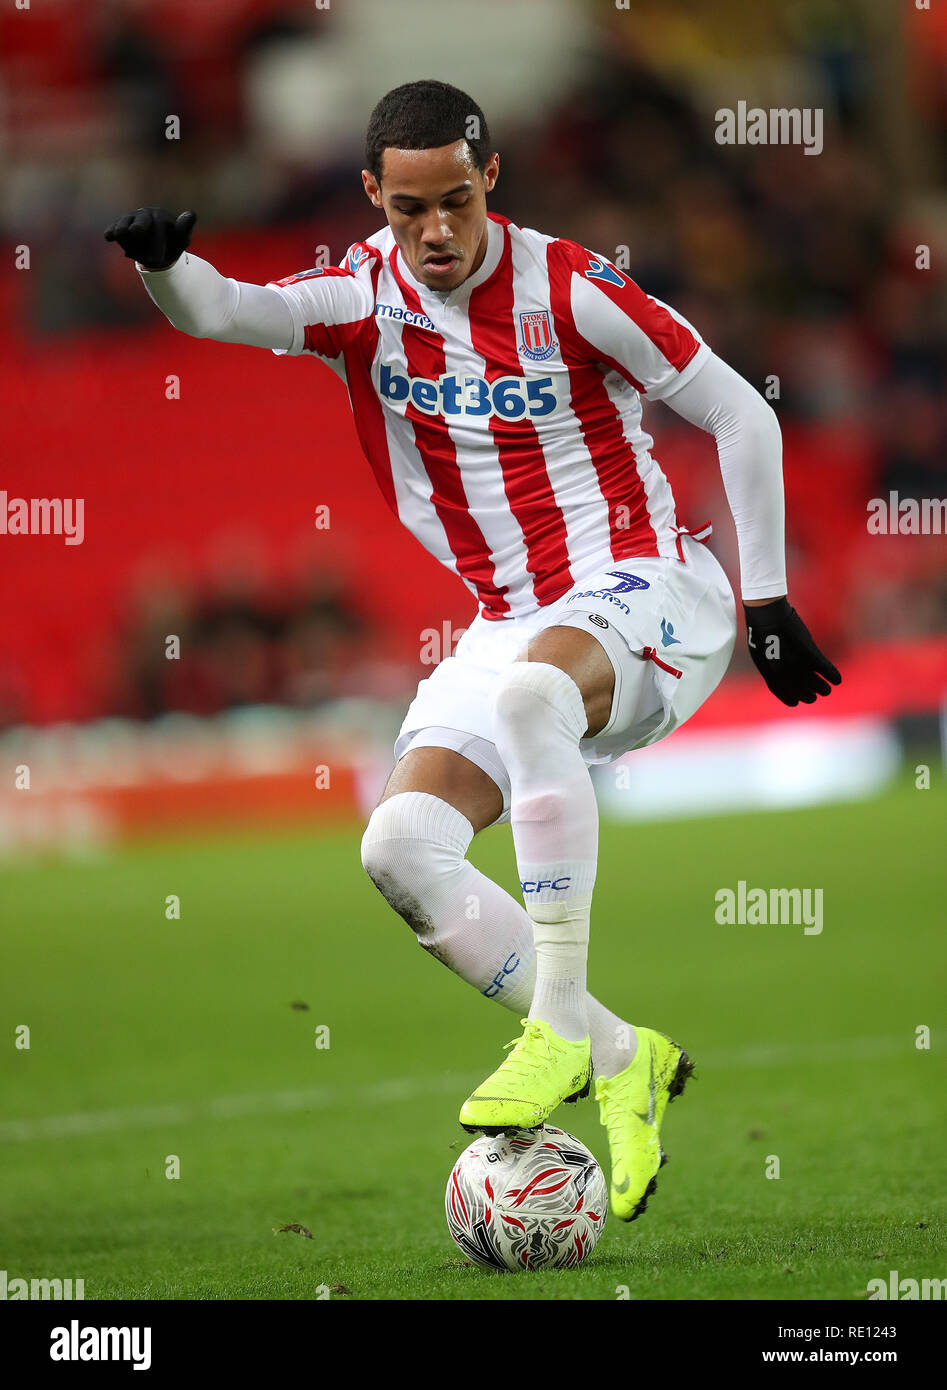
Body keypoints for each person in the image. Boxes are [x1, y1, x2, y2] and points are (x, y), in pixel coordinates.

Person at [104, 79, 840, 1224]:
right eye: (410, 208)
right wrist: (163, 266)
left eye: (457, 199)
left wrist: (767, 598)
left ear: (490, 176)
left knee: (536, 692)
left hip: (648, 588)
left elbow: (740, 411)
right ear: (372, 194)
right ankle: (620, 1054)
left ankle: (553, 1026)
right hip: (509, 620)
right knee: (400, 847)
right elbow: (221, 310)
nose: (437, 229)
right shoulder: (359, 296)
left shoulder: (572, 287)